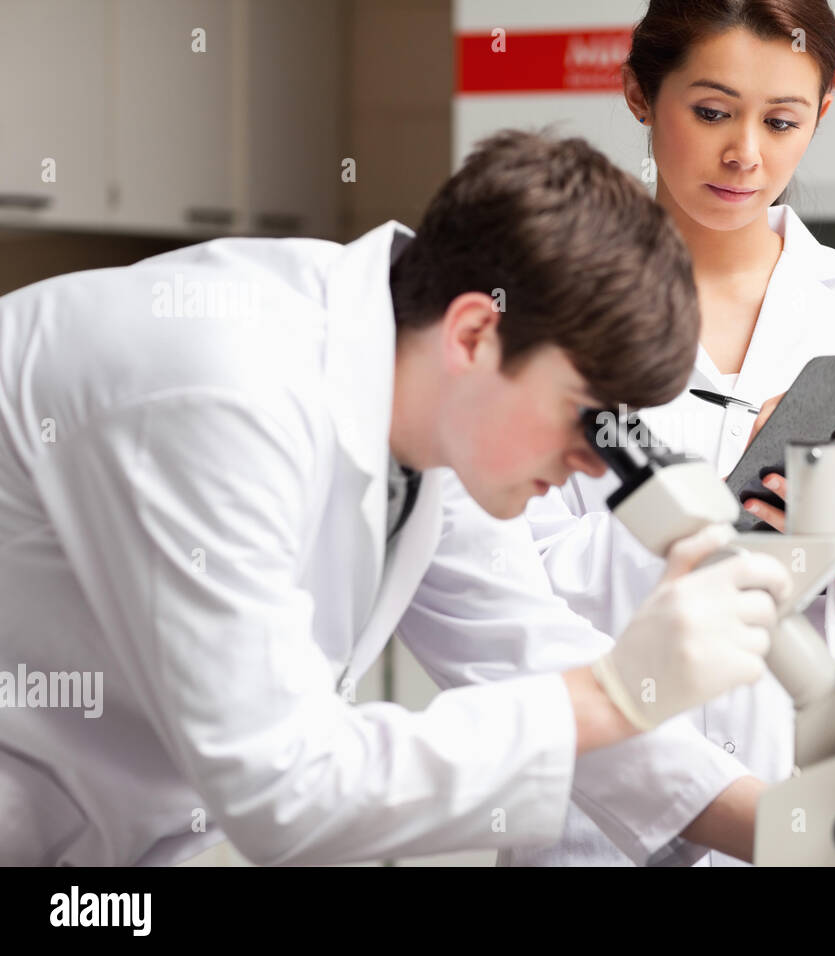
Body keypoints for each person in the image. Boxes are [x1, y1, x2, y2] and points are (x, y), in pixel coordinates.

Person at [0, 129, 793, 866]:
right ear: (476, 333)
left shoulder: (422, 388)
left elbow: (521, 647)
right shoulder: (221, 391)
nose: (594, 465)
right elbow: (283, 789)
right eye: (585, 416)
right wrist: (617, 692)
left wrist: (800, 835)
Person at [398, 0, 835, 866]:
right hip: (589, 833)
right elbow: (491, 591)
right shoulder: (552, 304)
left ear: (822, 115)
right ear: (638, 96)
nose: (747, 155)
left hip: (816, 803)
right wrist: (721, 525)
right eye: (714, 111)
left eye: (782, 120)